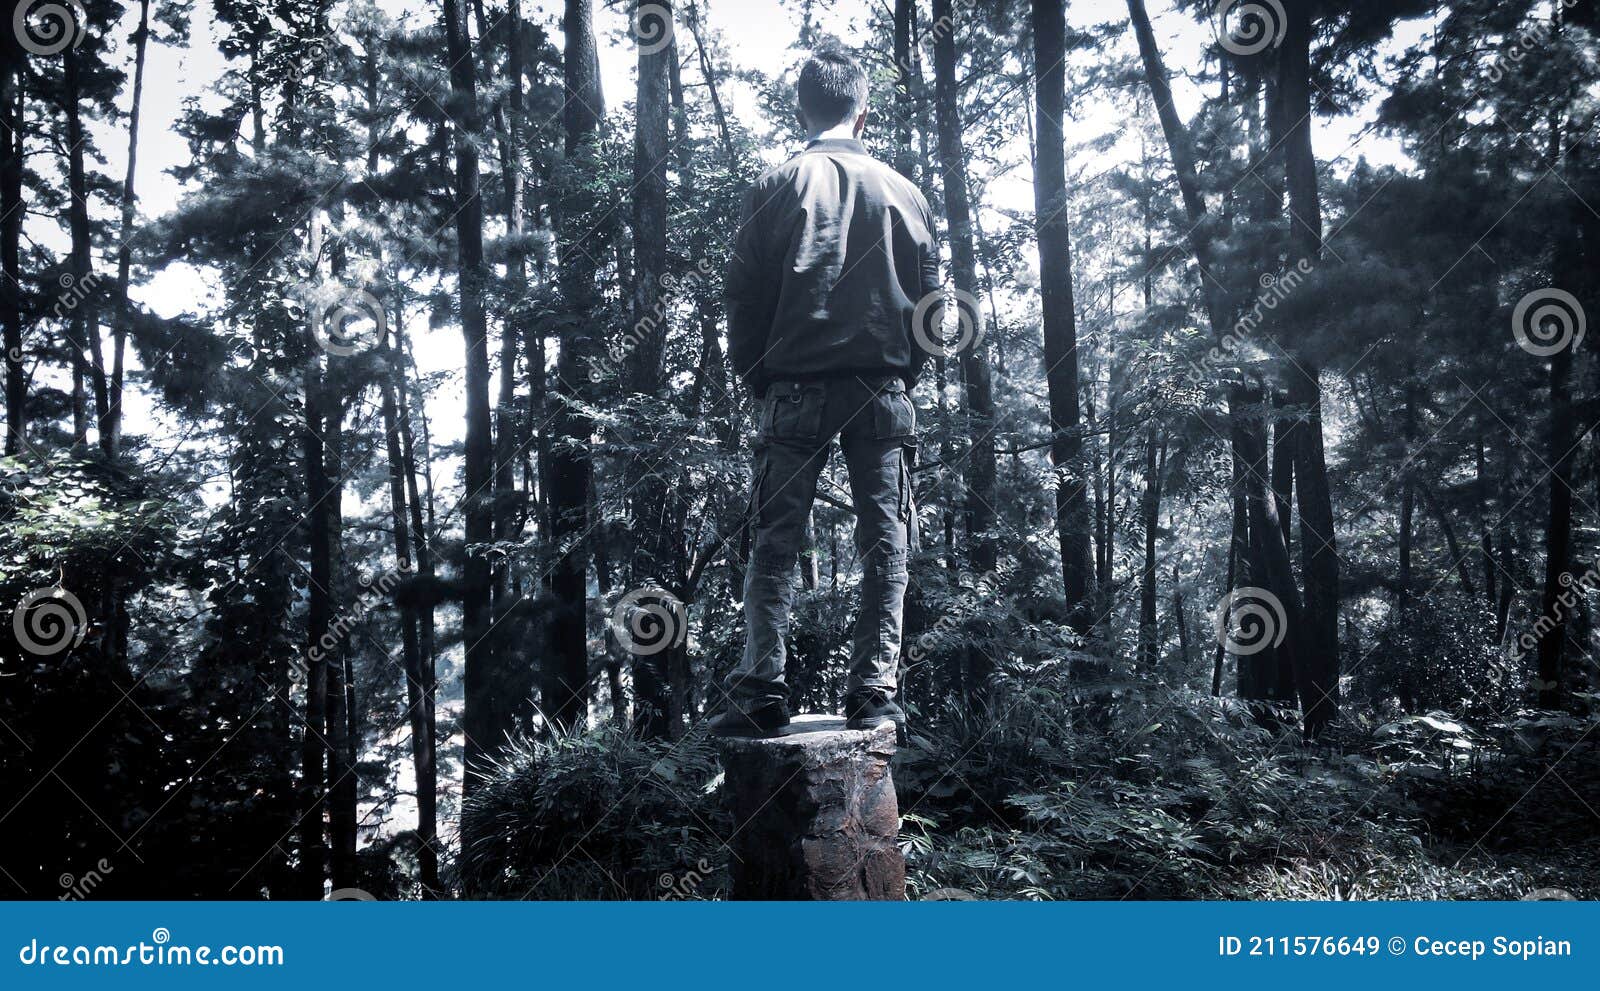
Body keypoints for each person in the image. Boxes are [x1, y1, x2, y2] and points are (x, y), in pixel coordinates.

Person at [709, 42, 941, 741]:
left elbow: (742, 295)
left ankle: (762, 690)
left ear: (801, 108)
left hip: (794, 387)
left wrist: (757, 374)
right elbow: (933, 307)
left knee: (775, 542)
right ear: (863, 112)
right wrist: (904, 375)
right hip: (880, 389)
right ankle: (874, 694)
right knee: (886, 544)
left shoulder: (775, 184)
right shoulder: (905, 191)